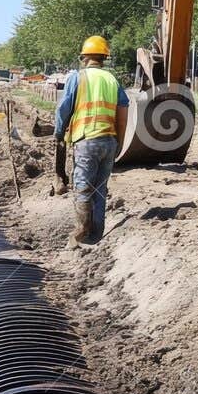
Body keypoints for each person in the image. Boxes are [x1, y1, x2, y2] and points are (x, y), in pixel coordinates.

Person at [54, 35, 129, 245]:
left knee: (83, 188)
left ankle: (81, 234)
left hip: (87, 141)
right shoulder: (112, 80)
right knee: (100, 190)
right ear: (104, 58)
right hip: (109, 141)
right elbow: (123, 114)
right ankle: (95, 237)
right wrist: (119, 143)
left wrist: (59, 133)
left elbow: (64, 109)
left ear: (84, 57)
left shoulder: (78, 78)